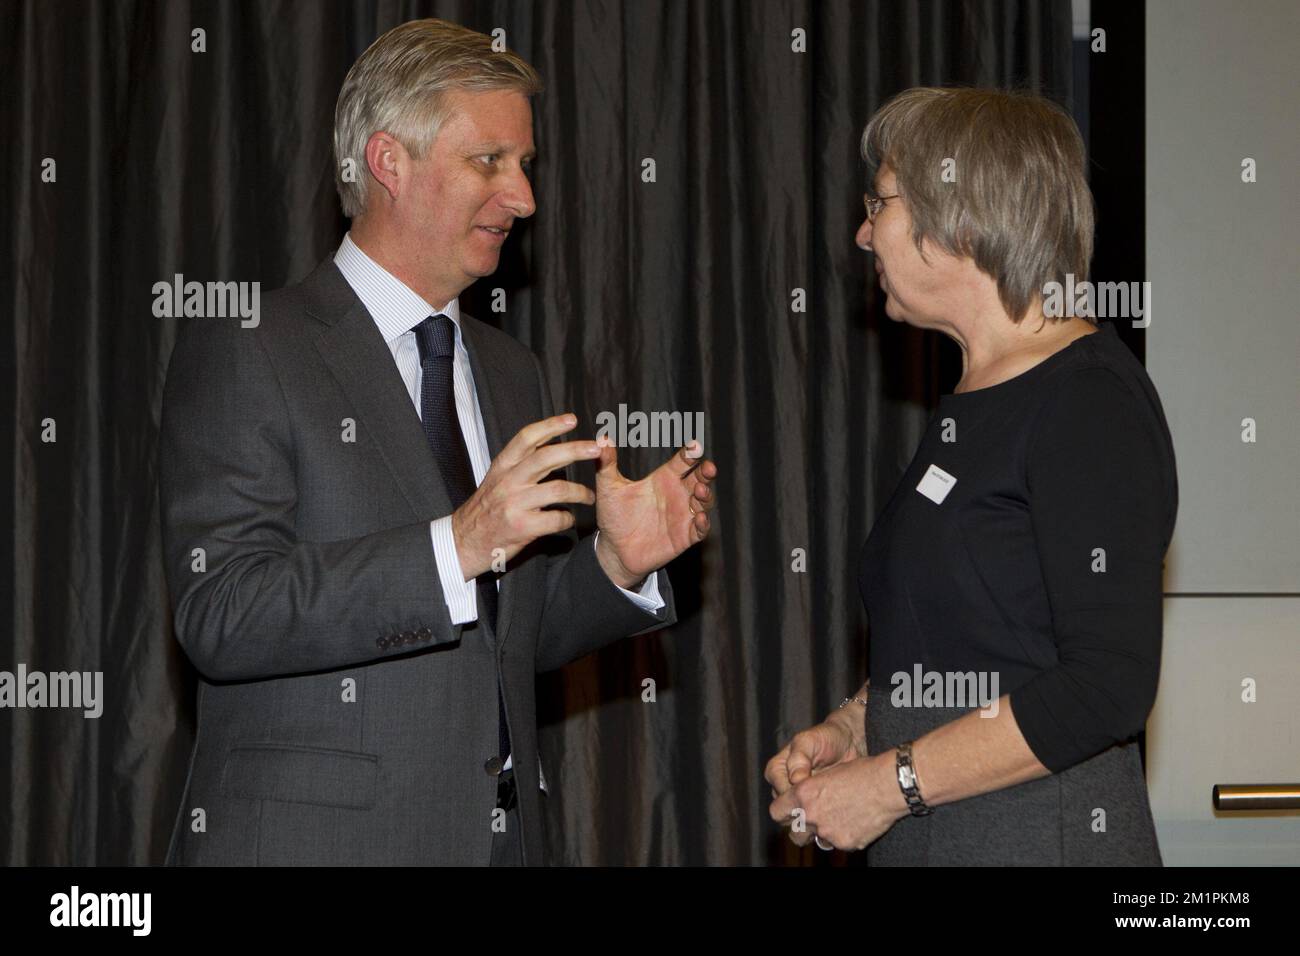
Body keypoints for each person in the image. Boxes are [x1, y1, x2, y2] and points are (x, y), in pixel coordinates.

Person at [159, 18, 717, 866]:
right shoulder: (252, 345)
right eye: (489, 161)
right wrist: (456, 544)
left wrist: (617, 565)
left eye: (525, 165)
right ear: (389, 162)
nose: (523, 197)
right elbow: (223, 612)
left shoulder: (508, 369)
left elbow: (498, 637)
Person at [765, 87, 1176, 865]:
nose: (862, 233)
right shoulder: (982, 395)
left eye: (878, 202)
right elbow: (976, 636)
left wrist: (886, 785)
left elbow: (1106, 683)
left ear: (958, 215)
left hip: (1037, 837)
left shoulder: (1086, 401)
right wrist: (856, 726)